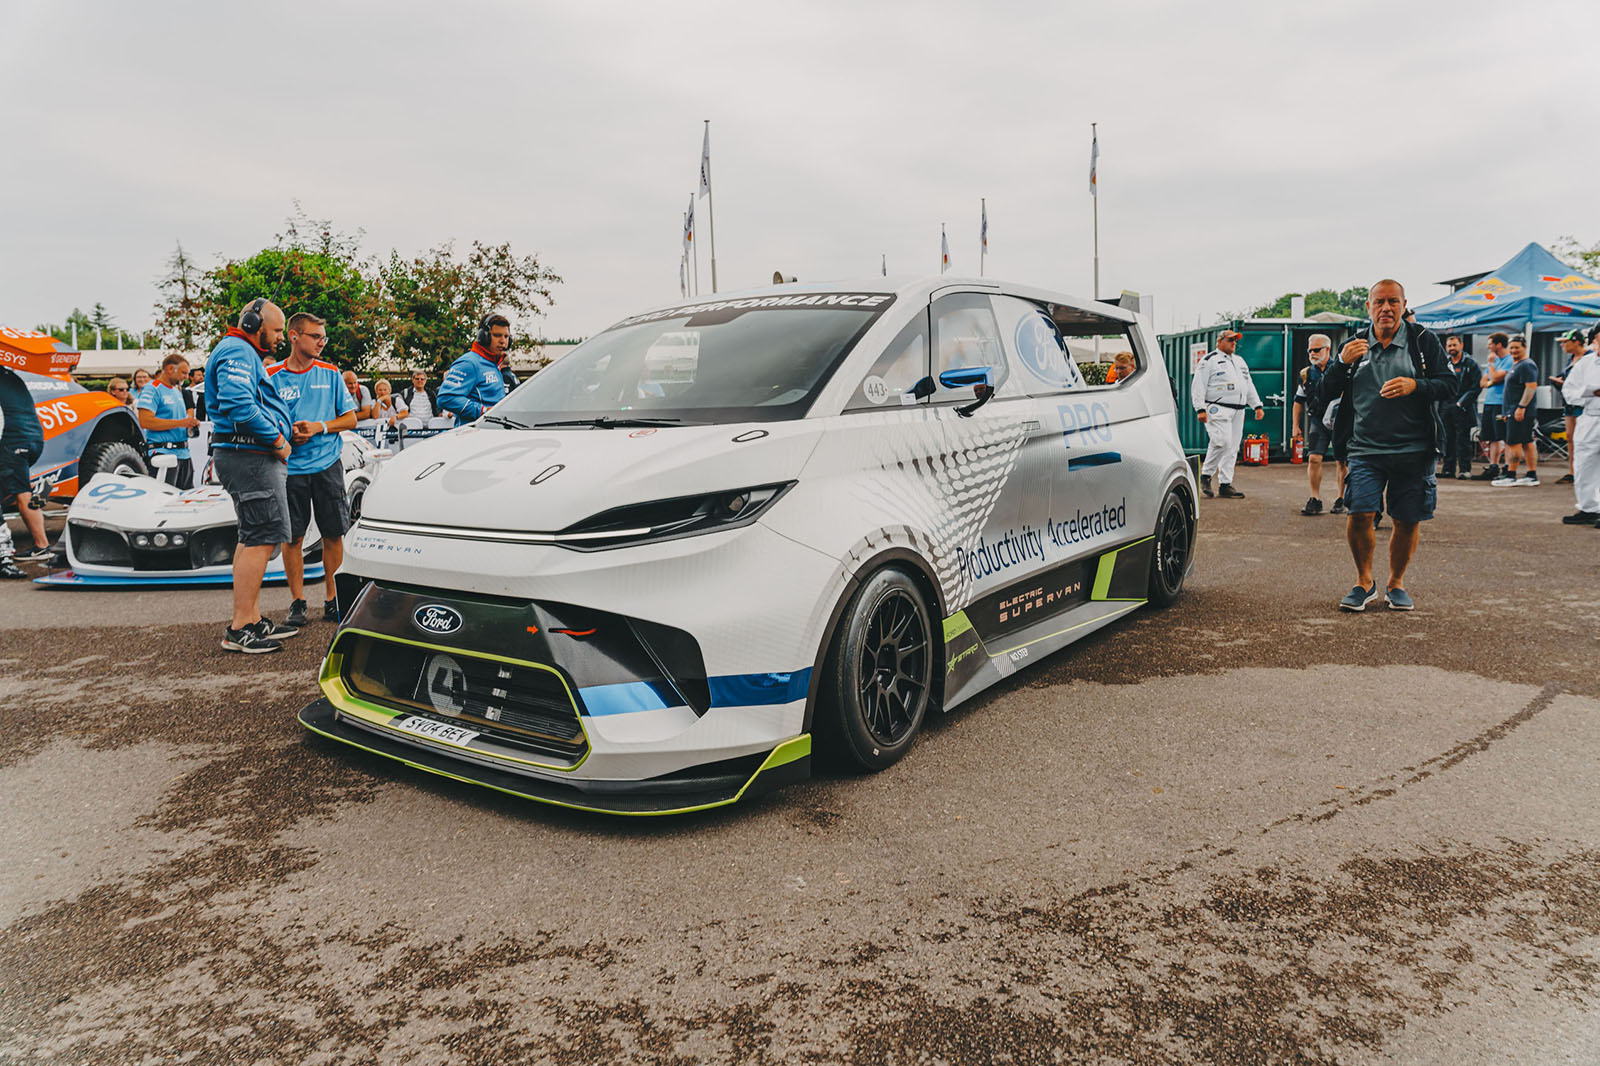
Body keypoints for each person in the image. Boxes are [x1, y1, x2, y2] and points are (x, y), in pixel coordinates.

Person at [1319, 279, 1455, 612]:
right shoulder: (1354, 345)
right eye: (1379, 302)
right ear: (1368, 307)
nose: (1386, 308)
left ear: (1404, 304)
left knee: (1407, 519)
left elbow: (1450, 384)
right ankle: (1364, 582)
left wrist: (1416, 385)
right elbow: (1322, 394)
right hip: (1365, 448)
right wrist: (1339, 364)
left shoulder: (1423, 341)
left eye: (1393, 301)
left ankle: (1396, 583)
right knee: (1360, 512)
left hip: (1414, 449)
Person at [204, 298, 300, 653]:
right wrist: (277, 440)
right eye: (276, 331)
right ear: (251, 324)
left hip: (245, 455)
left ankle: (251, 618)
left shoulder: (239, 351)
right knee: (261, 538)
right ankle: (241, 626)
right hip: (250, 456)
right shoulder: (238, 351)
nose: (279, 338)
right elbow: (238, 404)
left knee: (252, 537)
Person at [267, 312, 357, 626]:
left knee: (333, 534)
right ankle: (297, 602)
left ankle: (334, 600)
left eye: (324, 337)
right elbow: (263, 419)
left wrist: (318, 427)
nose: (322, 342)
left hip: (326, 464)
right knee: (292, 537)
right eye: (315, 336)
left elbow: (350, 419)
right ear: (294, 336)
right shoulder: (272, 375)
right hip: (289, 468)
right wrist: (285, 433)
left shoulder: (330, 373)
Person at [1190, 328, 1264, 498]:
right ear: (1219, 341)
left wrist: (1257, 405)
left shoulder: (1239, 361)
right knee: (1221, 441)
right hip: (1217, 407)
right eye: (1230, 340)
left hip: (1238, 410)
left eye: (1235, 340)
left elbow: (1248, 385)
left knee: (1232, 447)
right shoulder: (1209, 360)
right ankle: (1206, 475)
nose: (1233, 343)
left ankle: (1225, 484)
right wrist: (1200, 408)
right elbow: (1198, 385)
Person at [1, 364, 49, 568]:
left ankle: (42, 546)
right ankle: (37, 490)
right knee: (14, 486)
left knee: (21, 492)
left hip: (14, 439)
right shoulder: (10, 376)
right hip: (34, 438)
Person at [1292, 334, 1340, 515]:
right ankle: (1315, 499)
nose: (1312, 353)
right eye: (1310, 350)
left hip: (1339, 420)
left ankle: (1341, 498)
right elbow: (1298, 400)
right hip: (1318, 419)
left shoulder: (1340, 369)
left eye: (1316, 349)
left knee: (1342, 461)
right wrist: (1295, 426)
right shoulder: (1306, 374)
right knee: (1314, 458)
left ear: (1327, 349)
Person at [135, 353, 198, 489]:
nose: (186, 377)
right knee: (164, 501)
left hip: (184, 454)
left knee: (185, 501)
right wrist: (181, 423)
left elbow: (179, 421)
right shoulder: (152, 388)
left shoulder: (177, 391)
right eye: (183, 373)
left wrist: (190, 424)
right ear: (170, 369)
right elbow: (145, 421)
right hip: (163, 454)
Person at [438, 313, 511, 422]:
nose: (503, 341)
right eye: (497, 335)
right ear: (484, 336)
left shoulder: (493, 364)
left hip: (491, 432)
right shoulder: (469, 363)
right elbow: (446, 398)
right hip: (473, 435)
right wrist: (484, 412)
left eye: (506, 336)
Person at [1561, 327, 1600, 527]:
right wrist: (1589, 393)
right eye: (1598, 341)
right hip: (1590, 416)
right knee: (1584, 464)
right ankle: (1589, 508)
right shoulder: (1586, 363)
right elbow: (1568, 391)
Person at [1491, 336, 1539, 487]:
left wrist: (1521, 407)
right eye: (1511, 347)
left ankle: (1511, 475)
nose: (1513, 350)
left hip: (1519, 411)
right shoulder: (1516, 364)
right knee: (1526, 442)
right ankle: (1531, 475)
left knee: (1514, 443)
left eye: (1517, 347)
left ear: (1525, 347)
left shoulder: (1527, 365)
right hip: (1513, 410)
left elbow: (1531, 386)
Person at [1470, 333, 1513, 480]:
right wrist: (1491, 380)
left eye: (1490, 344)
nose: (1488, 347)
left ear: (1498, 345)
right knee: (1491, 437)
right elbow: (1483, 382)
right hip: (1489, 401)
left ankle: (1508, 467)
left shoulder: (1508, 360)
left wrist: (1491, 366)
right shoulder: (1494, 361)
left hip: (1502, 402)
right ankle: (1493, 467)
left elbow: (1494, 377)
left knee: (1505, 437)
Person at [1437, 334, 1481, 479]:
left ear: (1461, 346)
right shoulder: (1444, 363)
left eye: (1454, 345)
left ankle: (1464, 470)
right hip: (1446, 405)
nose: (1452, 348)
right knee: (1447, 438)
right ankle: (1448, 469)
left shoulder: (1470, 364)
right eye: (1449, 346)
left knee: (1463, 440)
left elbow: (1476, 386)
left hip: (1463, 407)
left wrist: (1462, 402)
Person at [1550, 328, 1587, 484]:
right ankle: (1573, 471)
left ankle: (1585, 471)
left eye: (1565, 342)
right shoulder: (1571, 359)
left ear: (1577, 341)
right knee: (1571, 438)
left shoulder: (1590, 358)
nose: (1562, 345)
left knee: (1585, 439)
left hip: (1585, 404)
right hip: (1569, 404)